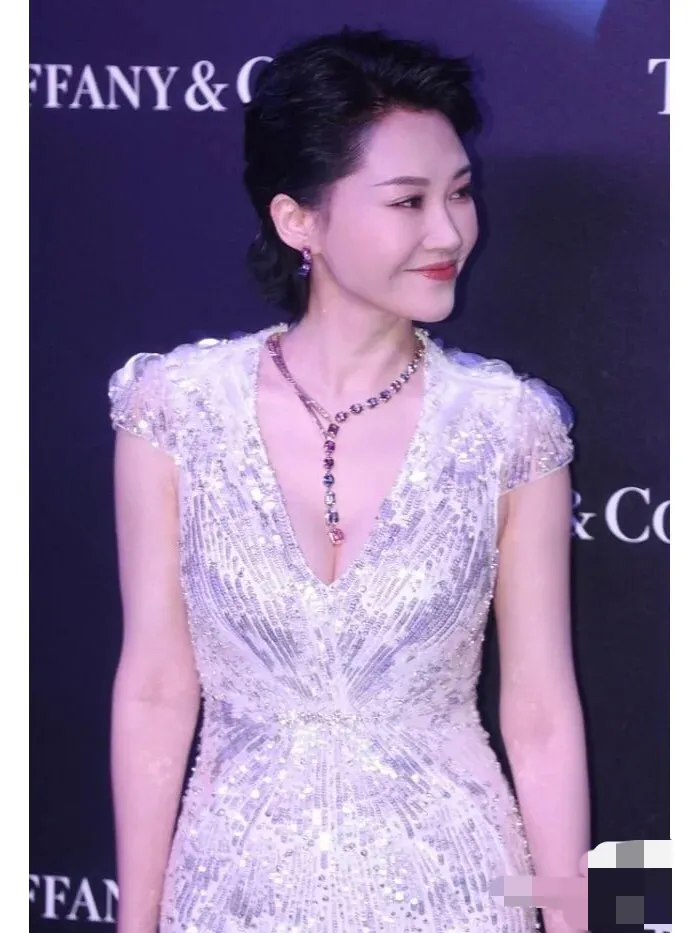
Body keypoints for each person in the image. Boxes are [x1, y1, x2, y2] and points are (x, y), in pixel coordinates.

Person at [108, 28, 590, 933]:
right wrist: (137, 919)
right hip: (230, 897)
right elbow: (156, 688)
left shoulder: (509, 425)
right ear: (300, 221)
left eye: (460, 192)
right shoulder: (173, 409)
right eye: (408, 200)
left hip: (458, 894)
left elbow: (541, 716)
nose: (450, 231)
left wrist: (571, 923)